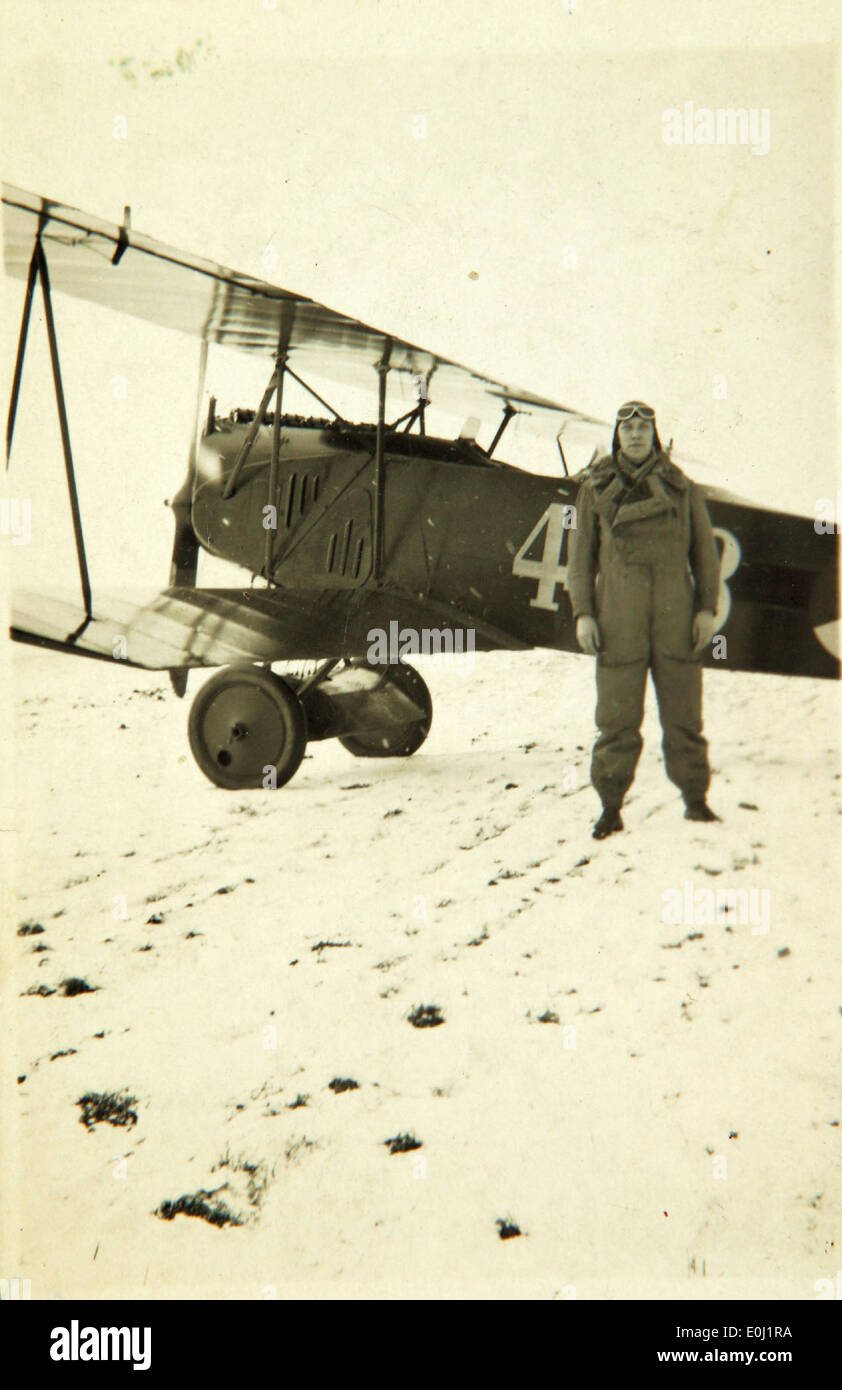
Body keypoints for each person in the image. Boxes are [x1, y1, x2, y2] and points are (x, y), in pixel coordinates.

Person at [567, 401, 721, 839]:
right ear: (616, 435)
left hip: (675, 613)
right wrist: (584, 613)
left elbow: (705, 557)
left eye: (644, 427)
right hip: (618, 613)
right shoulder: (594, 489)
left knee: (684, 713)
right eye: (627, 427)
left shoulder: (682, 488)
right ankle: (611, 807)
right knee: (616, 716)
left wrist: (706, 610)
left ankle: (696, 798)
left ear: (656, 434)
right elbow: (580, 560)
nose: (635, 435)